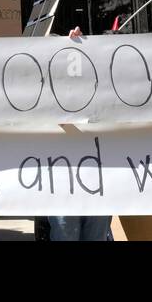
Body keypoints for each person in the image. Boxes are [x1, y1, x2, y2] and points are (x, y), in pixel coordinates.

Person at [47, 27, 112, 242]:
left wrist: (76, 49)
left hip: (98, 178)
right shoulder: (39, 88)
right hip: (61, 182)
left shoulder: (94, 80)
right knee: (65, 234)